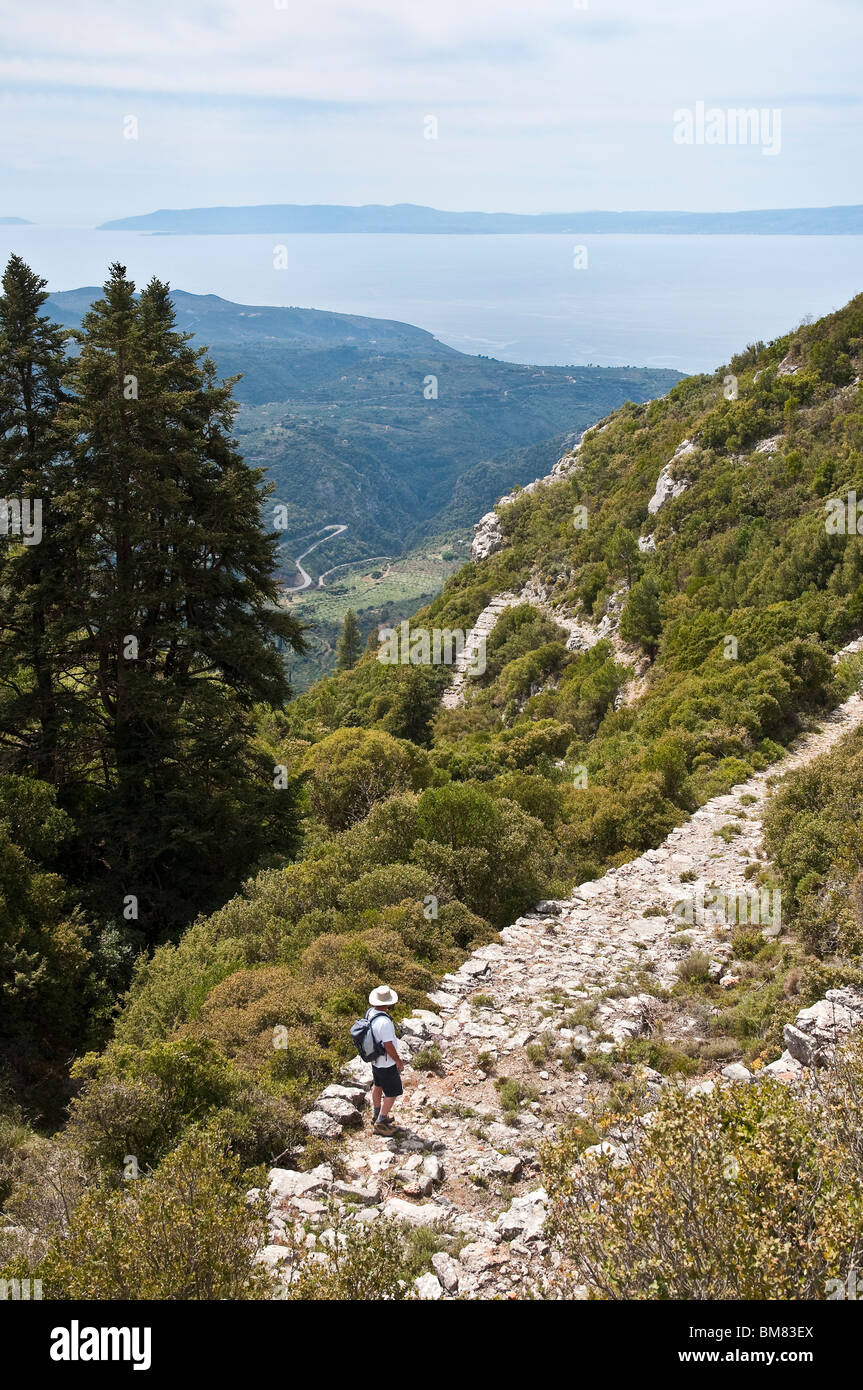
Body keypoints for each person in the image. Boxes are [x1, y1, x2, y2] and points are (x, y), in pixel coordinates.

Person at [366, 985, 404, 1134]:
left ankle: (376, 1113)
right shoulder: (385, 1022)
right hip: (386, 1062)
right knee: (393, 1092)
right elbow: (388, 1045)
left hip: (375, 1059)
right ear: (388, 1003)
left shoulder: (370, 1013)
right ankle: (381, 1121)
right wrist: (398, 1060)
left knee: (378, 1084)